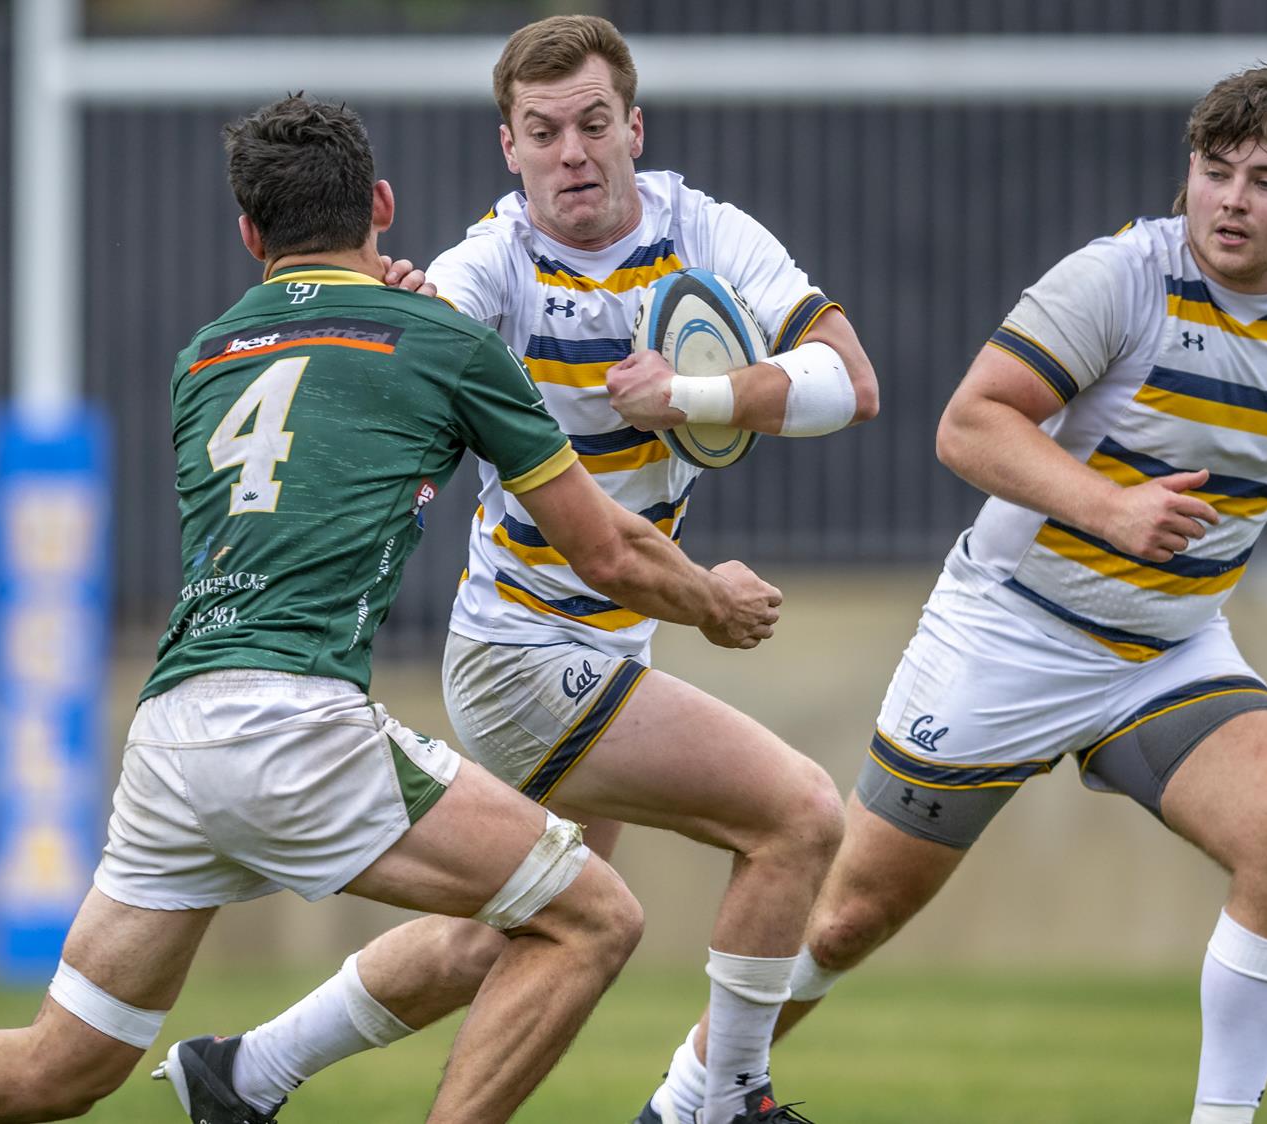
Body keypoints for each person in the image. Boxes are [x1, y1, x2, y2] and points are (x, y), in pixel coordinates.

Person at [0, 94, 785, 1124]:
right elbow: (599, 547)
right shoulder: (447, 343)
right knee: (594, 914)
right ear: (381, 207)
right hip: (293, 719)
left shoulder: (202, 358)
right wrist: (708, 596)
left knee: (60, 1061)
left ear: (249, 235)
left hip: (170, 729)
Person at [172, 17, 880, 1124]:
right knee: (795, 815)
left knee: (504, 931)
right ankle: (722, 1098)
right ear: (508, 148)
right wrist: (391, 303)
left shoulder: (705, 229)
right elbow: (421, 336)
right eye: (542, 131)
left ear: (632, 127)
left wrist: (695, 396)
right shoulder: (489, 263)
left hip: (603, 644)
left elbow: (848, 380)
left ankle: (242, 1070)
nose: (572, 153)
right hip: (524, 654)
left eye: (593, 123)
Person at [719, 65, 1267, 1124]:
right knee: (844, 920)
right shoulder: (1120, 279)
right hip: (1011, 628)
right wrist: (1111, 509)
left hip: (1167, 647)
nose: (1233, 198)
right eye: (1213, 171)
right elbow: (967, 425)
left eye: (1265, 178)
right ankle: (693, 1096)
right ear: (1185, 176)